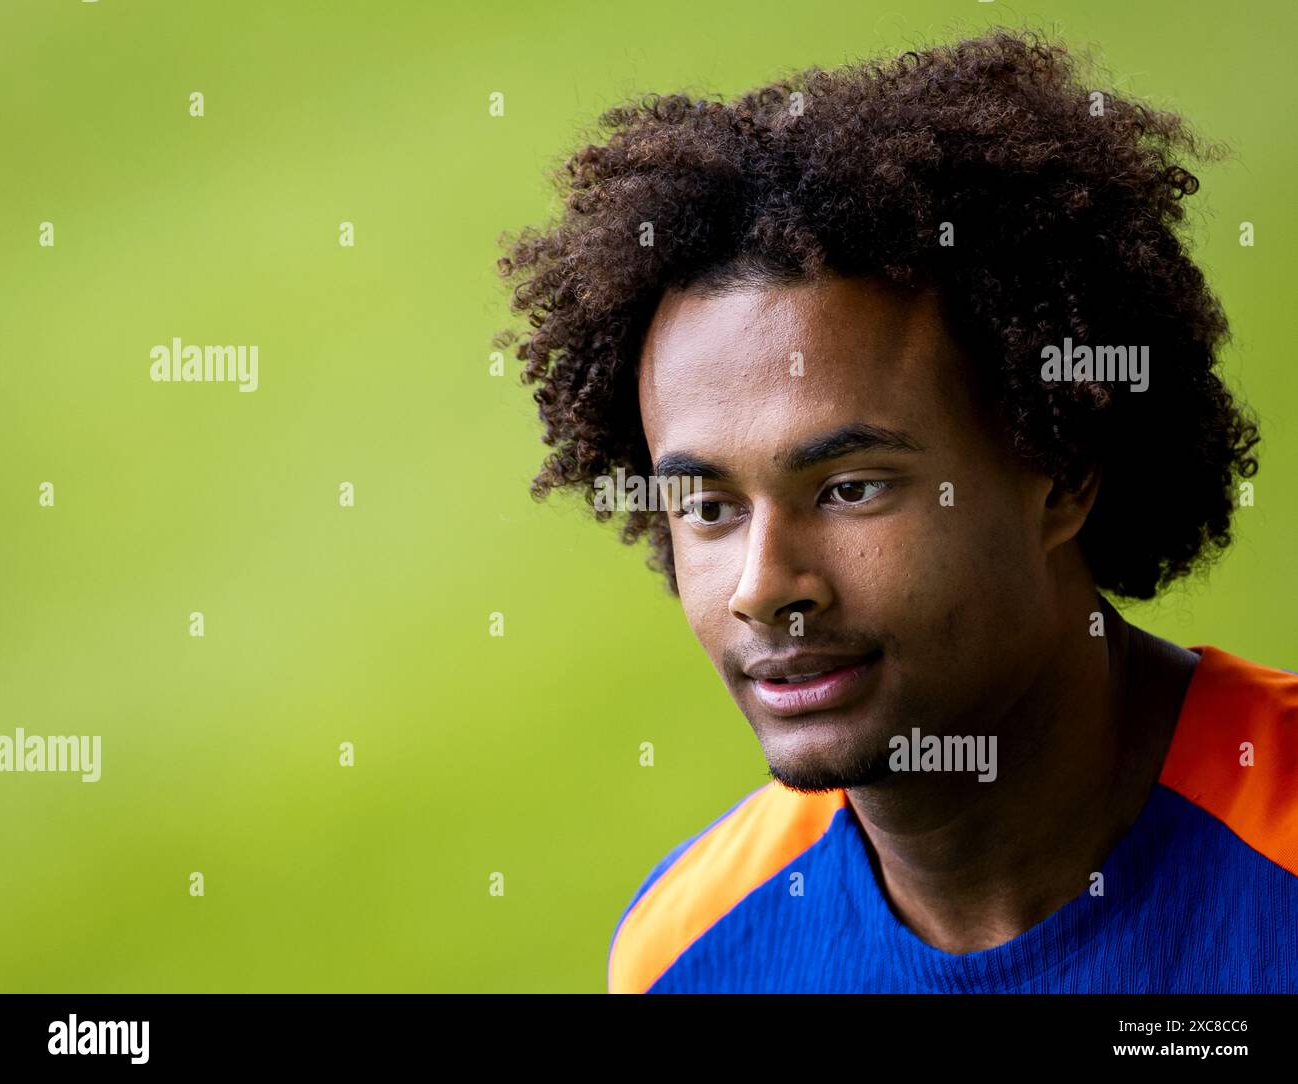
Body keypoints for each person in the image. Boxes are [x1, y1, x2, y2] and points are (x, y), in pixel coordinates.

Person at [494, 27, 1296, 993]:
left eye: (849, 490)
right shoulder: (687, 958)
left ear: (1064, 473)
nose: (764, 590)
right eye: (708, 506)